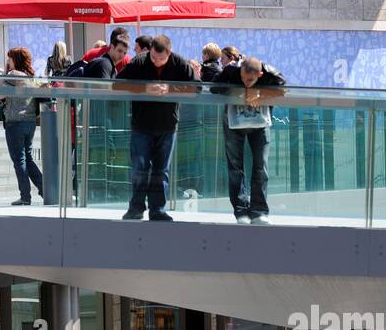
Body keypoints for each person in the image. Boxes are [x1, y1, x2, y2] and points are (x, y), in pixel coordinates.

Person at [117, 34, 198, 222]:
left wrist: (170, 90)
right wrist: (145, 89)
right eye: (153, 58)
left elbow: (197, 87)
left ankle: (158, 209)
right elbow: (117, 84)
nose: (156, 62)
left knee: (161, 170)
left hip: (168, 126)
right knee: (140, 168)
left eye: (161, 59)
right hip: (141, 125)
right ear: (150, 50)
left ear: (169, 53)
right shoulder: (139, 62)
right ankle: (136, 208)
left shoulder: (179, 63)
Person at [213, 56, 287, 223]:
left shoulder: (271, 74)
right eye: (243, 78)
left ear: (260, 75)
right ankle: (241, 211)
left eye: (251, 80)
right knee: (235, 167)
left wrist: (260, 93)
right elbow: (214, 87)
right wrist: (240, 92)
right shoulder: (231, 70)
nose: (246, 82)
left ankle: (259, 211)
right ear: (240, 70)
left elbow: (283, 89)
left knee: (261, 166)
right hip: (233, 123)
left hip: (260, 125)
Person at [0, 47, 44, 206]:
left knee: (19, 160)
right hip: (30, 122)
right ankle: (44, 188)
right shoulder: (29, 77)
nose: (7, 61)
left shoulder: (12, 75)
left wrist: (5, 74)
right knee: (27, 158)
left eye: (9, 58)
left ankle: (25, 196)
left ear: (15, 60)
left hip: (15, 121)